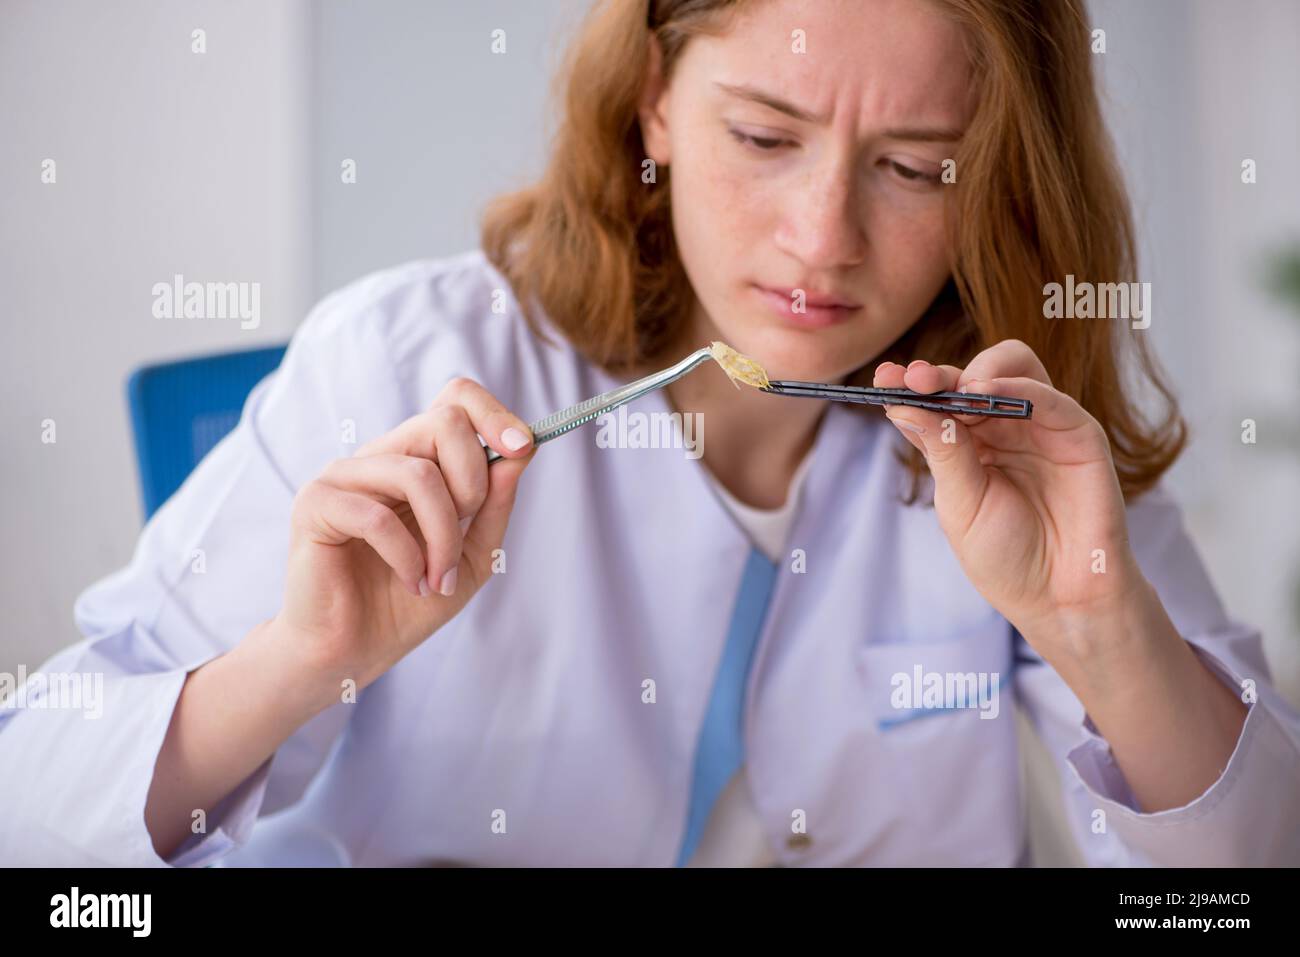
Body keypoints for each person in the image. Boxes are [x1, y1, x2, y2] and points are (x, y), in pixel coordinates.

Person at [3, 0, 1298, 867]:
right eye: (762, 136)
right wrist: (293, 662)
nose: (821, 240)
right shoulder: (406, 360)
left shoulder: (1013, 430)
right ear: (653, 107)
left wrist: (1100, 628)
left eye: (915, 168)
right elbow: (30, 809)